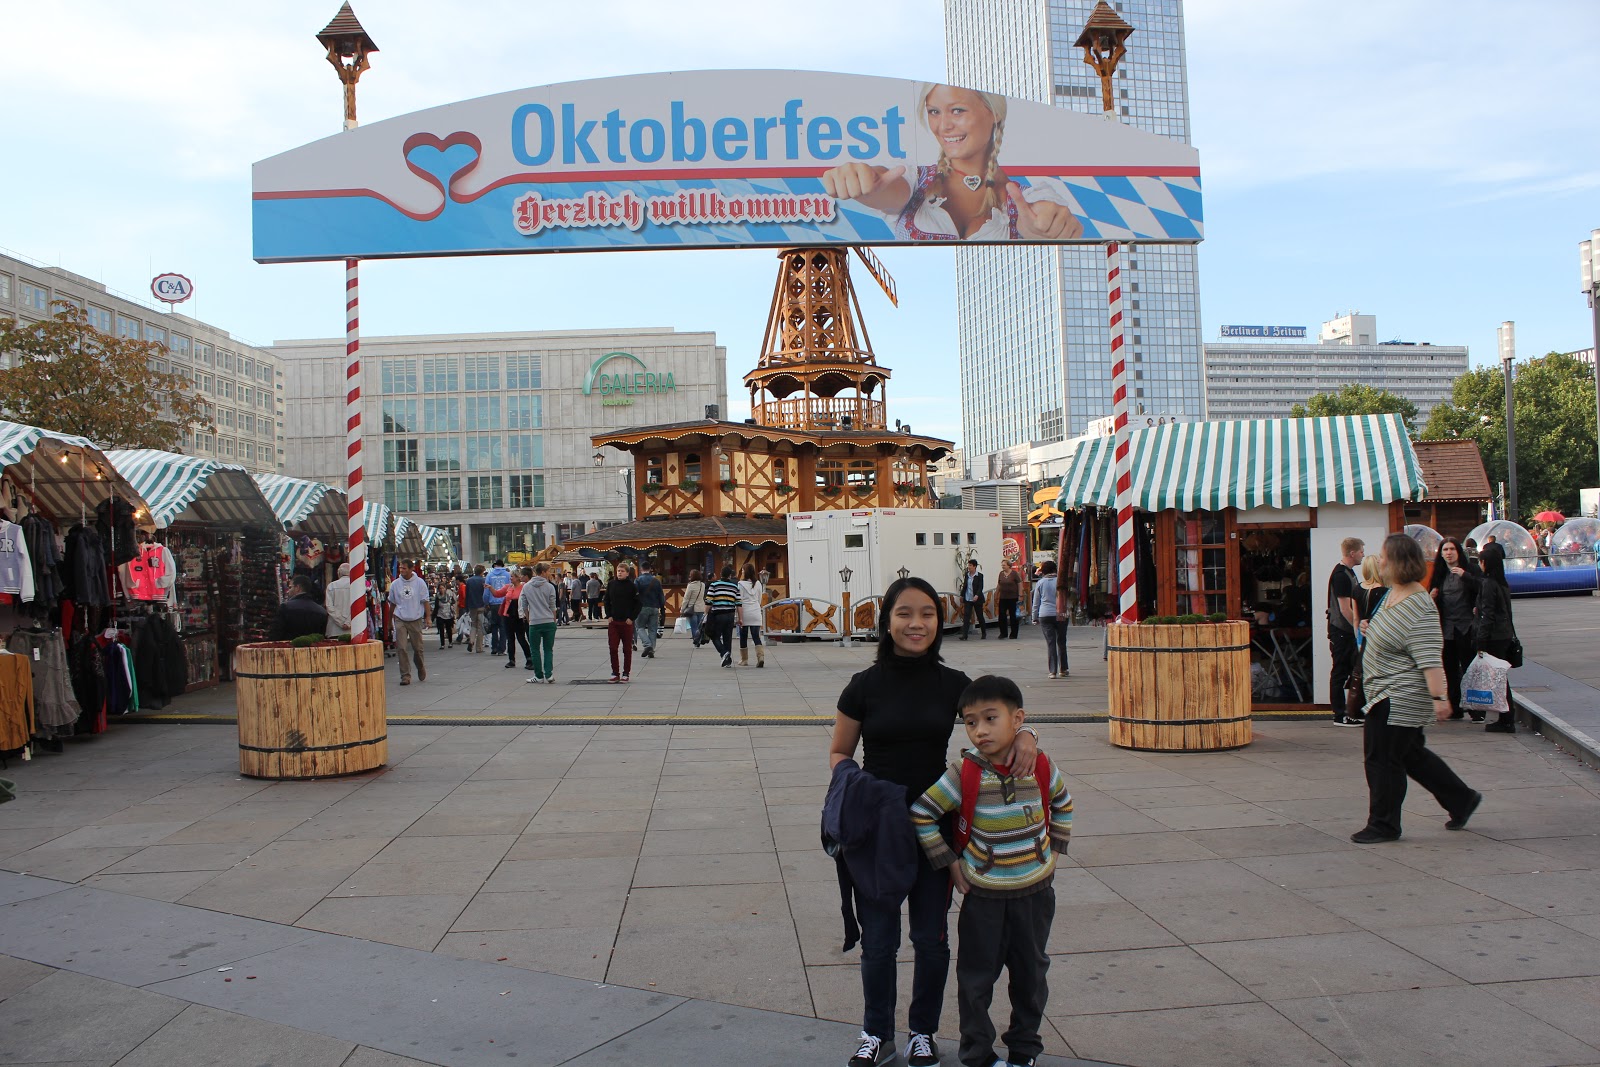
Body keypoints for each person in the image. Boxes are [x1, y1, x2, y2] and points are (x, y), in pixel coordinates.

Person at [829, 577, 1039, 1067]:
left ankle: (922, 1032)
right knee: (879, 940)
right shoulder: (863, 685)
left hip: (937, 827)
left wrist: (1026, 733)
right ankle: (876, 1033)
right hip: (877, 830)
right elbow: (840, 751)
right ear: (887, 620)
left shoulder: (952, 683)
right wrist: (861, 790)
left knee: (930, 938)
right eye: (904, 613)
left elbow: (999, 715)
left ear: (939, 622)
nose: (916, 623)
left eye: (927, 613)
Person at [910, 675, 1072, 1067]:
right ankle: (978, 1053)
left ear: (1017, 719)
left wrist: (1053, 853)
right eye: (970, 722)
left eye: (990, 718)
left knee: (1031, 978)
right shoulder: (963, 773)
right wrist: (949, 861)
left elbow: (1063, 802)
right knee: (975, 981)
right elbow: (922, 813)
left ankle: (1024, 1049)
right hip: (984, 898)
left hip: (1035, 894)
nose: (980, 730)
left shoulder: (1040, 765)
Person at [821, 83, 1082, 242]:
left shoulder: (1029, 199)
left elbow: (1039, 219)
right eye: (934, 112)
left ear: (993, 114)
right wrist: (866, 182)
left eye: (957, 110)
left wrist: (1048, 225)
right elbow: (887, 189)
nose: (944, 126)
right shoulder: (915, 182)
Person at [1351, 533, 1482, 844]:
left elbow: (1429, 656)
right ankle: (1461, 800)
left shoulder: (1418, 603)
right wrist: (1371, 627)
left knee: (1381, 759)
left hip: (1398, 695)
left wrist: (1440, 698)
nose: (1379, 561)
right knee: (1411, 755)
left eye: (1384, 557)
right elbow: (1390, 632)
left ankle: (1384, 824)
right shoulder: (1394, 593)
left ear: (1398, 562)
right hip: (1385, 689)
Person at [1429, 538, 1483, 722]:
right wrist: (1432, 597)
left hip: (1466, 626)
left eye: (1452, 549)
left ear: (1458, 552)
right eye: (1445, 550)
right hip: (1447, 629)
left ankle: (1476, 709)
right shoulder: (1439, 573)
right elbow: (1432, 602)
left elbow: (1482, 588)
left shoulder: (1471, 570)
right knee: (1450, 669)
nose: (1449, 553)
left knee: (1470, 667)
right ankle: (1454, 707)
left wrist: (1465, 576)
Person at [1474, 542, 1518, 734]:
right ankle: (1506, 717)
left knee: (1498, 679)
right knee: (1501, 677)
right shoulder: (1502, 583)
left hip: (1494, 637)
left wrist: (1481, 639)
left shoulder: (1488, 584)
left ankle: (1507, 719)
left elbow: (1488, 614)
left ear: (1485, 563)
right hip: (1505, 634)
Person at [1345, 556, 1389, 725]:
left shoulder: (1357, 589)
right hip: (1380, 636)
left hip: (1363, 637)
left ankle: (1354, 710)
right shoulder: (1385, 590)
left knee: (1360, 674)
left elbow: (1356, 618)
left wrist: (1358, 639)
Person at [1327, 538, 1364, 726]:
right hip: (1341, 631)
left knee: (1353, 671)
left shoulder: (1349, 573)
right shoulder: (1341, 575)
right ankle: (1339, 715)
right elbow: (1345, 608)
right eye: (1360, 551)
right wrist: (1357, 629)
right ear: (1352, 553)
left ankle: (1353, 711)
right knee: (1340, 672)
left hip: (1345, 631)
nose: (1363, 555)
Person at [387, 559, 431, 685]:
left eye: (404, 568)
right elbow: (392, 604)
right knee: (401, 648)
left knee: (418, 649)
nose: (401, 570)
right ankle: (405, 675)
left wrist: (428, 617)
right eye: (400, 568)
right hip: (400, 618)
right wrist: (390, 622)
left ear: (412, 569)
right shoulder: (395, 584)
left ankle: (420, 666)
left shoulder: (419, 583)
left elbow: (425, 601)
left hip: (415, 619)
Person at [521, 562, 559, 684]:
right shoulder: (550, 587)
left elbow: (524, 605)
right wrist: (554, 620)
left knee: (535, 649)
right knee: (548, 649)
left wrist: (528, 618)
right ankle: (549, 674)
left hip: (534, 622)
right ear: (542, 572)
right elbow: (553, 606)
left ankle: (538, 675)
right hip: (548, 621)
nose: (549, 573)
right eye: (548, 571)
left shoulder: (526, 587)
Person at [605, 562, 641, 682]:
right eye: (618, 571)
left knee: (627, 649)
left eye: (622, 571)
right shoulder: (611, 584)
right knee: (613, 648)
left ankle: (626, 673)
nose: (619, 573)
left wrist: (632, 618)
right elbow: (606, 600)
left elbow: (638, 603)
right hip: (614, 621)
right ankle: (615, 672)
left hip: (626, 622)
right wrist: (608, 615)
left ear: (627, 573)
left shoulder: (632, 586)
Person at [1030, 561, 1068, 679]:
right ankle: (1063, 669)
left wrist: (1034, 617)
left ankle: (1052, 671)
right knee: (1061, 641)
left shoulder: (1040, 583)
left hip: (1045, 614)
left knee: (1050, 642)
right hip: (1060, 613)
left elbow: (1036, 602)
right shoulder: (1061, 582)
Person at [270, 574, 330, 641]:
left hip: (289, 648)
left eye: (290, 587)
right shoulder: (321, 611)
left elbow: (276, 633)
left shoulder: (285, 607)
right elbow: (321, 637)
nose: (288, 591)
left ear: (297, 588)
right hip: (312, 649)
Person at [704, 565, 741, 668]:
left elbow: (709, 601)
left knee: (714, 635)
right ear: (730, 575)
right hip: (730, 615)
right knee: (727, 637)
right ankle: (727, 661)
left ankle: (724, 653)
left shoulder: (714, 585)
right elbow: (739, 603)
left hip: (718, 615)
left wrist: (705, 614)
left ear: (721, 574)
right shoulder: (735, 586)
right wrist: (740, 618)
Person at [501, 567, 532, 671]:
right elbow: (498, 594)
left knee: (521, 638)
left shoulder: (524, 587)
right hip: (508, 615)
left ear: (518, 578)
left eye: (512, 576)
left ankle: (529, 658)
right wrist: (490, 588)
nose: (510, 578)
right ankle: (511, 660)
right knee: (510, 639)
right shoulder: (508, 587)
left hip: (519, 616)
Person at [737, 562, 766, 667]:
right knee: (756, 636)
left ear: (746, 572)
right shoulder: (758, 583)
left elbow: (739, 600)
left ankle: (744, 660)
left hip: (745, 612)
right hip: (755, 612)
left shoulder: (740, 584)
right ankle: (760, 657)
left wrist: (738, 616)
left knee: (743, 636)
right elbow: (759, 599)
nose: (742, 572)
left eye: (743, 570)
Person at [635, 561, 665, 659]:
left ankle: (647, 645)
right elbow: (661, 595)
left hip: (642, 607)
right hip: (654, 607)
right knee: (653, 629)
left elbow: (634, 594)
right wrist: (662, 607)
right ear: (650, 569)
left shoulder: (638, 580)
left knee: (640, 627)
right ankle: (651, 649)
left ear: (641, 569)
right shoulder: (656, 581)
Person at [484, 560, 512, 656]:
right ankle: (502, 649)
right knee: (503, 626)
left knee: (494, 625)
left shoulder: (489, 575)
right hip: (504, 603)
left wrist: (486, 601)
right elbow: (510, 588)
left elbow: (487, 590)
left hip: (493, 603)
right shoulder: (508, 575)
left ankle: (494, 647)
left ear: (495, 566)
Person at [959, 559, 987, 640]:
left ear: (975, 566)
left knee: (980, 616)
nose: (969, 567)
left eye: (970, 565)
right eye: (968, 565)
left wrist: (977, 595)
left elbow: (980, 587)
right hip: (968, 598)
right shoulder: (967, 575)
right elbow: (965, 586)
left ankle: (984, 632)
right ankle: (965, 635)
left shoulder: (979, 576)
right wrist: (962, 595)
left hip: (977, 599)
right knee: (966, 617)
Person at [324, 562, 353, 638]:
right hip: (352, 629)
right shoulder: (355, 586)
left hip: (334, 629)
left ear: (339, 572)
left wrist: (340, 622)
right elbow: (356, 606)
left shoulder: (331, 586)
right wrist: (347, 622)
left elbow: (329, 607)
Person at [463, 565, 487, 653]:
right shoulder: (483, 581)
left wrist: (466, 607)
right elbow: (485, 594)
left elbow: (467, 594)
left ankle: (471, 640)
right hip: (481, 605)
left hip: (472, 605)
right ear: (482, 572)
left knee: (473, 625)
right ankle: (479, 647)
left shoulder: (469, 581)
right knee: (480, 626)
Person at [681, 568, 707, 647]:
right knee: (700, 626)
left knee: (694, 626)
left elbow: (686, 598)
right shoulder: (703, 585)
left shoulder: (690, 585)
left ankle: (696, 640)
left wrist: (682, 609)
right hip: (701, 607)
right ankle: (699, 638)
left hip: (692, 609)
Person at [995, 563, 1021, 639]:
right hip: (1003, 597)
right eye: (1002, 565)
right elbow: (999, 584)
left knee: (1013, 615)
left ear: (1009, 566)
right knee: (1002, 615)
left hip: (1013, 597)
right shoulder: (1001, 574)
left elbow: (1019, 584)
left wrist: (1020, 594)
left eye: (1004, 565)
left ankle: (1013, 634)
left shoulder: (1014, 574)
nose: (1002, 566)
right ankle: (1003, 633)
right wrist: (996, 593)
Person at [433, 574, 458, 649]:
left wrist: (452, 608)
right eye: (440, 588)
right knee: (441, 629)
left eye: (442, 588)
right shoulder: (437, 597)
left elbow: (453, 602)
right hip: (440, 614)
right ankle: (442, 644)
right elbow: (436, 606)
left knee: (448, 629)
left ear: (445, 588)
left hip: (448, 614)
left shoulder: (449, 596)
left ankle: (450, 642)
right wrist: (433, 616)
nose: (441, 590)